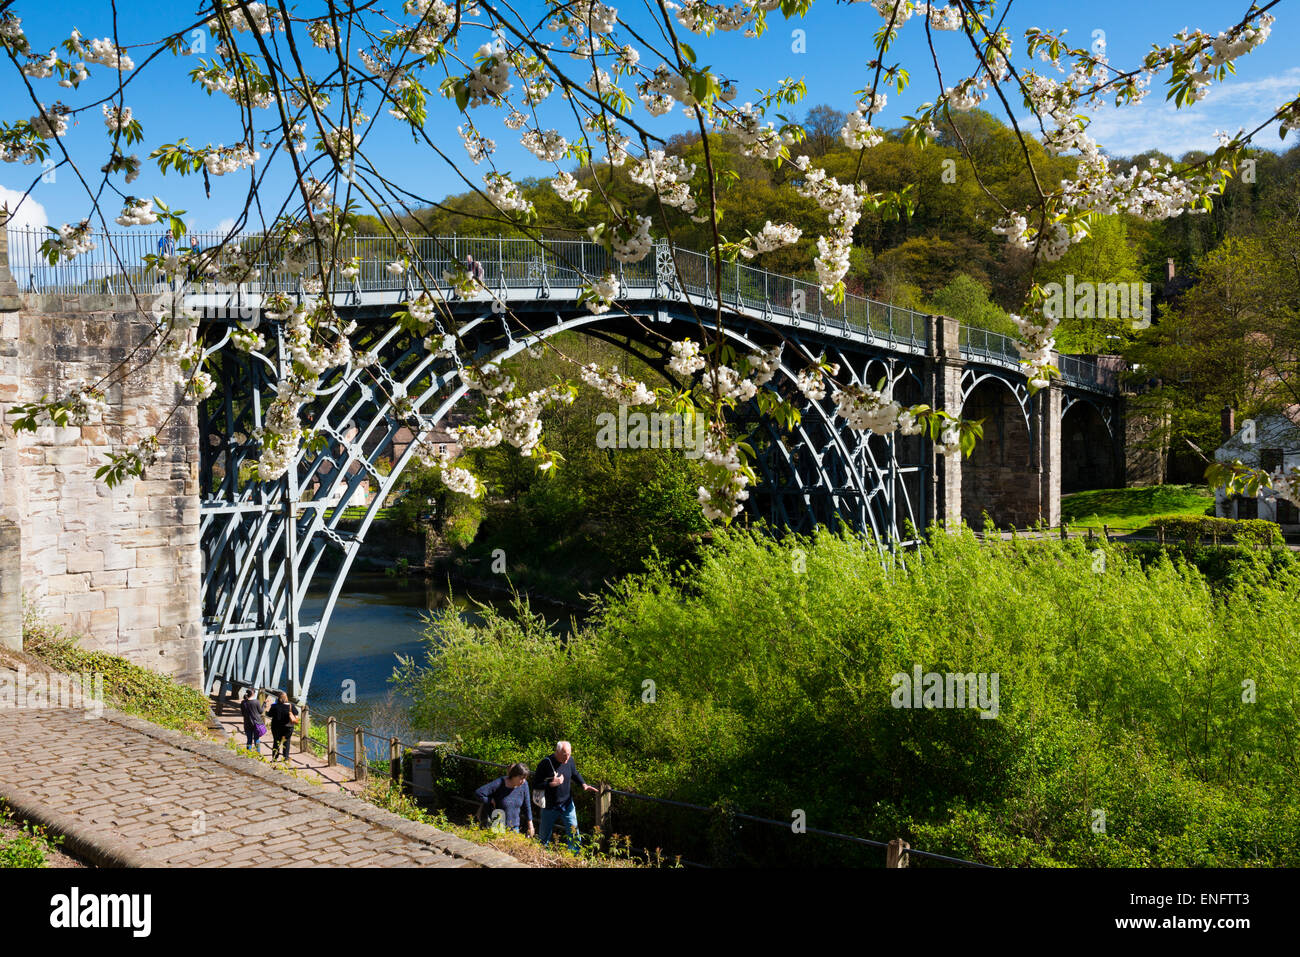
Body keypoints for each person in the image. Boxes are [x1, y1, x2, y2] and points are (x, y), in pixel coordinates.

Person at [533, 740, 598, 850]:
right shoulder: (545, 763)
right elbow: (536, 784)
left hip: (567, 804)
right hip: (549, 806)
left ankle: (573, 858)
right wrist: (551, 784)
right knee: (544, 837)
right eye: (564, 755)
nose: (567, 758)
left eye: (569, 754)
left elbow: (574, 773)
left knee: (574, 834)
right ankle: (543, 856)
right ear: (556, 752)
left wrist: (583, 784)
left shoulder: (570, 761)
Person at [474, 762, 535, 837]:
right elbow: (479, 793)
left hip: (514, 827)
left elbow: (527, 806)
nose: (523, 781)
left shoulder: (524, 785)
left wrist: (530, 825)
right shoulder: (500, 783)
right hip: (497, 826)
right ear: (514, 775)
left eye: (524, 779)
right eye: (521, 778)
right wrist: (490, 800)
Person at [266, 690, 299, 763]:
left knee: (276, 742)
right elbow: (296, 714)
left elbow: (269, 715)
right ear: (286, 698)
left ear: (278, 698)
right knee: (286, 742)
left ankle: (274, 758)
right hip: (288, 727)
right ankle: (285, 758)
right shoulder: (291, 706)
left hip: (276, 727)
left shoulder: (274, 706)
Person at [239, 688, 266, 754]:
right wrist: (264, 704)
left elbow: (242, 713)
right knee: (256, 739)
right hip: (256, 723)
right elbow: (261, 711)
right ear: (253, 694)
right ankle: (257, 753)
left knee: (249, 740)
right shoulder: (256, 702)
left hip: (247, 723)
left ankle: (249, 753)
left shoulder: (243, 702)